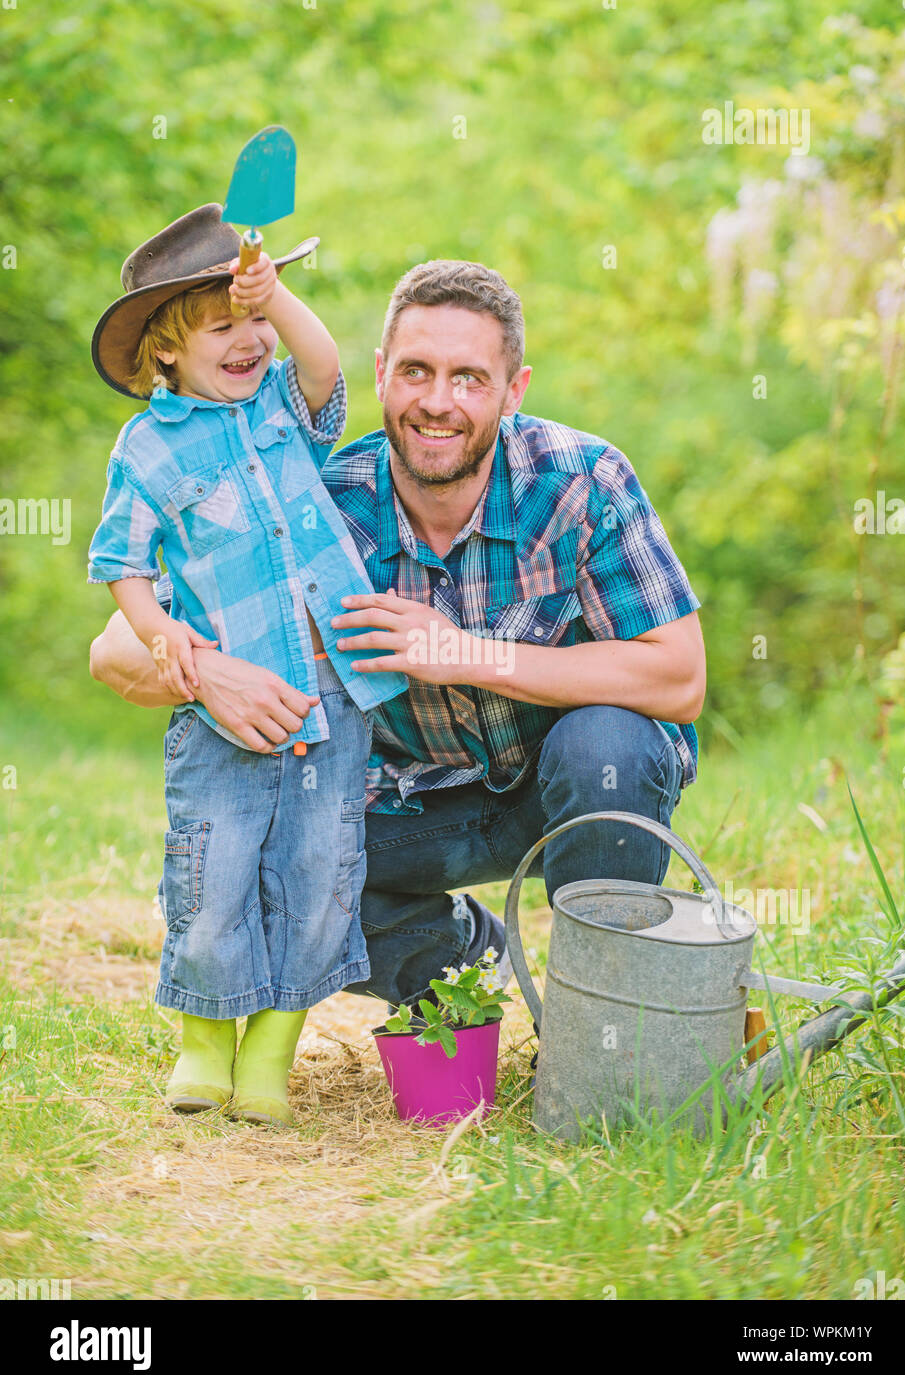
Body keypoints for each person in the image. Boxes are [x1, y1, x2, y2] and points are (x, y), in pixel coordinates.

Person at [90, 258, 705, 1018]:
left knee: (608, 743)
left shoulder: (582, 481)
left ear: (514, 391)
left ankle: (603, 1029)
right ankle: (455, 965)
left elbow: (679, 679)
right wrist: (211, 673)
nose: (438, 402)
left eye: (470, 379)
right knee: (271, 860)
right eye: (416, 372)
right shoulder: (324, 500)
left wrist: (462, 654)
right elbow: (113, 650)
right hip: (416, 809)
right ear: (381, 375)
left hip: (571, 785)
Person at [87, 203, 407, 1125]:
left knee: (320, 870)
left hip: (334, 686)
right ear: (165, 353)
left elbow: (325, 368)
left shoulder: (280, 408)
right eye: (221, 326)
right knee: (212, 866)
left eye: (252, 320)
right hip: (222, 703)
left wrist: (279, 294)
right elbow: (124, 566)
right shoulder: (148, 448)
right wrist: (160, 637)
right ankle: (204, 1041)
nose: (248, 340)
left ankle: (272, 1048)